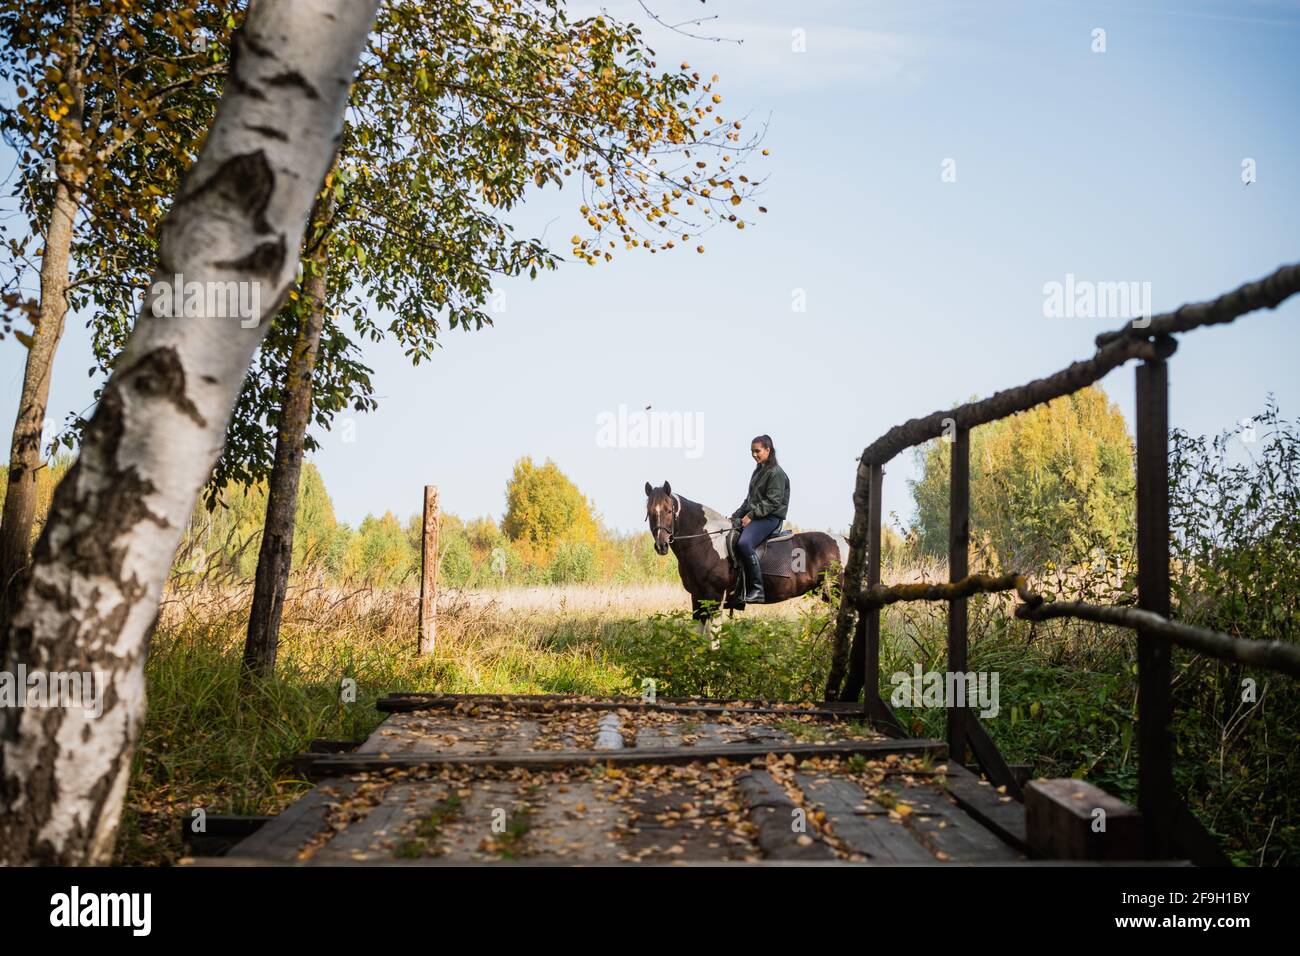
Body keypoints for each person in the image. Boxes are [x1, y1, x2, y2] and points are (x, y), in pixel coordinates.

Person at [729, 434, 789, 604]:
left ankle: (757, 589)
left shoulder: (776, 473)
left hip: (770, 518)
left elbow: (773, 501)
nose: (754, 454)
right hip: (758, 516)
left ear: (768, 450)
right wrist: (736, 516)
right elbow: (749, 500)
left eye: (757, 451)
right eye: (752, 451)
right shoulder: (759, 470)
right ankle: (738, 589)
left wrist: (751, 516)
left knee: (744, 543)